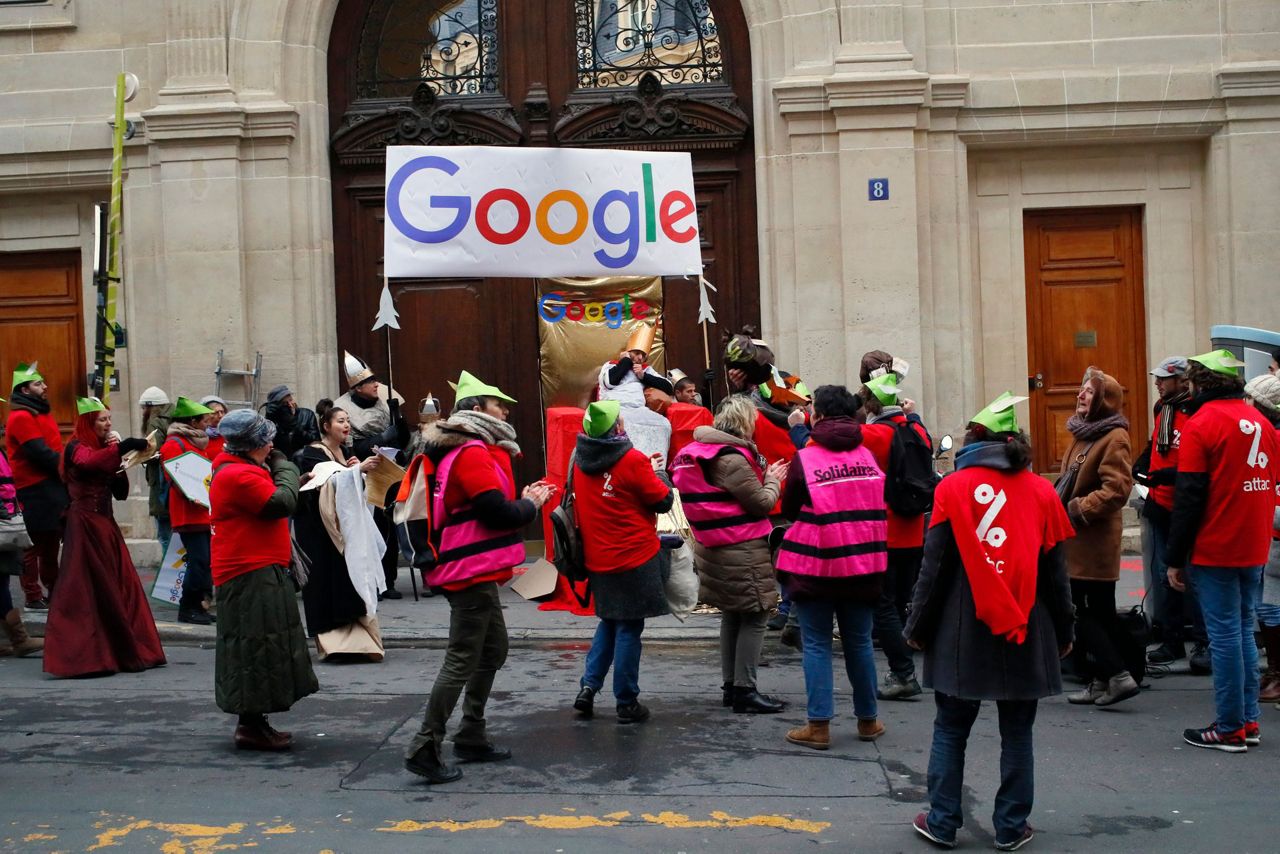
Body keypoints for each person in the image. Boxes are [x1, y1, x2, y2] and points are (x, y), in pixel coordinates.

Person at [905, 393, 1075, 852]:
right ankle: (1011, 826)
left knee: (950, 728)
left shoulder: (951, 488)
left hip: (962, 628)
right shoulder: (1042, 490)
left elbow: (933, 570)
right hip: (1028, 624)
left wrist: (916, 627)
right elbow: (1057, 576)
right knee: (1018, 731)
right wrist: (1065, 632)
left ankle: (941, 821)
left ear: (973, 439)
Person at [404, 371, 552, 784]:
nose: (505, 410)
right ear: (476, 410)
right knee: (463, 657)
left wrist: (522, 501)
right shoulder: (471, 452)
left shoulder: (467, 450)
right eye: (498, 403)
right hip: (468, 571)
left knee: (491, 651)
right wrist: (530, 503)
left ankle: (470, 734)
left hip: (473, 569)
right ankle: (424, 745)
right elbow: (497, 513)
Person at [1166, 351, 1279, 752]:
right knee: (1243, 630)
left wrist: (1174, 557)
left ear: (1200, 383)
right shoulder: (1261, 421)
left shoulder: (1202, 424)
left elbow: (1191, 494)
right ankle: (1247, 720)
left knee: (1226, 635)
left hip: (1218, 543)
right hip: (1255, 541)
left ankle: (1230, 726)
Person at [776, 385, 888, 750]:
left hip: (816, 564)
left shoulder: (806, 459)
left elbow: (790, 508)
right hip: (863, 562)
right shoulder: (867, 457)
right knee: (858, 642)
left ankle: (819, 725)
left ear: (818, 416)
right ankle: (868, 721)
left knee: (818, 644)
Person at [671, 395, 788, 713]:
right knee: (756, 614)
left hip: (714, 545)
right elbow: (761, 503)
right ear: (744, 422)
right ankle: (745, 691)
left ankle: (731, 687)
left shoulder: (697, 452)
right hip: (743, 548)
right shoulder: (733, 458)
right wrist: (775, 480)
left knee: (733, 615)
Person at [210, 408, 317, 751]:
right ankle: (250, 726)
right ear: (252, 446)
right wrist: (287, 468)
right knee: (254, 648)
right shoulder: (238, 475)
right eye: (266, 441)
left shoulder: (245, 470)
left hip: (258, 568)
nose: (271, 445)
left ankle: (256, 722)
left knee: (263, 646)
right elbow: (280, 502)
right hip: (248, 571)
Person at [43, 397, 164, 678]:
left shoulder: (103, 449)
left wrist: (120, 456)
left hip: (105, 526)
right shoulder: (76, 447)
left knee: (118, 586)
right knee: (84, 588)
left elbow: (120, 490)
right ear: (88, 422)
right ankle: (86, 656)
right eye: (102, 419)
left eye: (109, 419)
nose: (108, 424)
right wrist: (122, 446)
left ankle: (123, 648)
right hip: (83, 526)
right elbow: (88, 464)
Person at [572, 399, 674, 725]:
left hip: (598, 557)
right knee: (629, 626)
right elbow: (663, 500)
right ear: (617, 427)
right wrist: (660, 474)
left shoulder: (579, 459)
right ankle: (626, 701)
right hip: (634, 557)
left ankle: (588, 687)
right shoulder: (632, 459)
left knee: (609, 621)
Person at [1058, 367, 1139, 707]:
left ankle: (1118, 676)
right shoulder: (1086, 432)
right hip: (1077, 540)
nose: (1080, 395)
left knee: (1081, 610)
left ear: (1104, 400)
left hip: (1091, 542)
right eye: (1081, 389)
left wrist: (1077, 508)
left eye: (1088, 392)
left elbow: (1118, 489)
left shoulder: (1114, 436)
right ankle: (1101, 680)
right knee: (1100, 612)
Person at [1132, 357, 1209, 670]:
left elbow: (1199, 458)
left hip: (1188, 503)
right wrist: (1143, 463)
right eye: (1157, 378)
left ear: (1181, 380)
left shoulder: (1198, 410)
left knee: (1193, 576)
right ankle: (1172, 639)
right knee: (1165, 576)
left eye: (1164, 379)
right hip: (1161, 501)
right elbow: (1156, 443)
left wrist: (1171, 475)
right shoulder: (1161, 408)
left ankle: (1204, 642)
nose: (1157, 384)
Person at [859, 370, 932, 701]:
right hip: (913, 529)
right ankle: (906, 659)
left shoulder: (873, 434)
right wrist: (911, 413)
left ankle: (902, 672)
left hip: (885, 529)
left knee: (882, 604)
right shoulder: (917, 428)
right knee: (902, 600)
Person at [295, 400, 384, 660]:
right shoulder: (314, 452)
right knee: (326, 582)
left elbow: (344, 482)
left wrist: (355, 470)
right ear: (326, 426)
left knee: (348, 581)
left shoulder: (346, 453)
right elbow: (324, 483)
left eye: (347, 421)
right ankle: (334, 643)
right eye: (340, 421)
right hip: (318, 532)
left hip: (341, 531)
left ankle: (359, 641)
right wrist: (356, 471)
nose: (346, 426)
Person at [334, 352, 410, 599]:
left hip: (392, 471)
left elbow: (404, 439)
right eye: (370, 382)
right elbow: (350, 447)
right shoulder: (343, 409)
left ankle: (389, 580)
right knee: (372, 529)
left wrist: (397, 420)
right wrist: (381, 439)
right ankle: (372, 581)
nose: (376, 384)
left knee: (392, 525)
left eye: (376, 380)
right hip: (367, 474)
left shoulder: (386, 398)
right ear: (357, 388)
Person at [5, 362, 68, 611]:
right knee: (32, 545)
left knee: (51, 543)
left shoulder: (41, 413)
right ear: (25, 390)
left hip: (50, 486)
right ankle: (32, 595)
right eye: (38, 383)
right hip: (33, 488)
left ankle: (54, 590)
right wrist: (68, 467)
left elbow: (52, 448)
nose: (45, 386)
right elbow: (39, 452)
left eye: (42, 382)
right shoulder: (21, 417)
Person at [161, 396, 217, 625]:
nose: (207, 424)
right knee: (198, 561)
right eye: (204, 420)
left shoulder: (194, 442)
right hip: (188, 513)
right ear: (193, 422)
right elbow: (177, 477)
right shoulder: (174, 444)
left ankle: (200, 607)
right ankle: (188, 607)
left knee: (204, 561)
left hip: (202, 511)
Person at [1243, 373, 1280, 703]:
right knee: (1266, 609)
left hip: (1275, 536)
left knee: (1271, 610)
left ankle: (1277, 675)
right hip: (1267, 535)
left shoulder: (1271, 437)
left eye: (1249, 399)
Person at [597, 323, 675, 465]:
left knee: (663, 424)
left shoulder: (645, 370)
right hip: (615, 409)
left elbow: (669, 387)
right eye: (636, 353)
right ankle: (628, 464)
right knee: (625, 425)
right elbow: (610, 382)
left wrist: (643, 377)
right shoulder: (611, 365)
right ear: (628, 351)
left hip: (639, 410)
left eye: (643, 355)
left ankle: (654, 467)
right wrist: (626, 361)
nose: (639, 358)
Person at [0, 408, 43, 658]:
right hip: (3, 524)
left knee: (2, 578)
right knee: (0, 580)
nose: (5, 430)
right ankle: (20, 639)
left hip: (6, 522)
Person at [138, 386, 174, 559]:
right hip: (176, 484)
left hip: (161, 484)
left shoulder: (155, 420)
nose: (143, 412)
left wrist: (137, 455)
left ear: (150, 407)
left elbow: (152, 451)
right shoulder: (176, 417)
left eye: (144, 408)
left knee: (165, 535)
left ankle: (172, 580)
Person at [263, 384, 318, 459]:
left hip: (304, 459)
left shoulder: (307, 414)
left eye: (290, 400)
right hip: (282, 460)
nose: (290, 405)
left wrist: (294, 425)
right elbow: (267, 444)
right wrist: (270, 420)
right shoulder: (274, 421)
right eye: (285, 403)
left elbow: (316, 441)